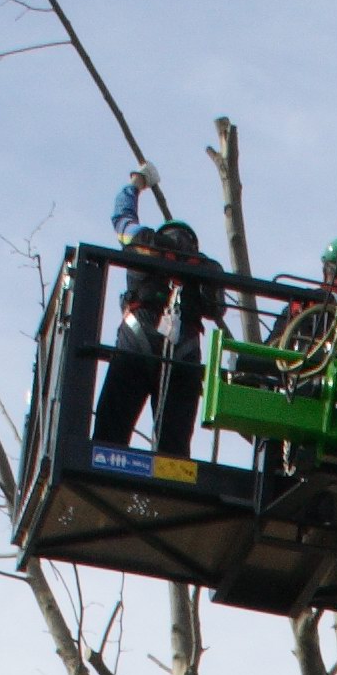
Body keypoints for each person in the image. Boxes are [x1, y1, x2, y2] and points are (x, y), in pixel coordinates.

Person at [93, 166, 226, 463]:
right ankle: (171, 479)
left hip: (136, 341)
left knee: (109, 436)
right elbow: (216, 308)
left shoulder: (146, 242)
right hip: (185, 350)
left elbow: (121, 220)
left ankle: (105, 465)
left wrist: (136, 183)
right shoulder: (205, 268)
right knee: (173, 453)